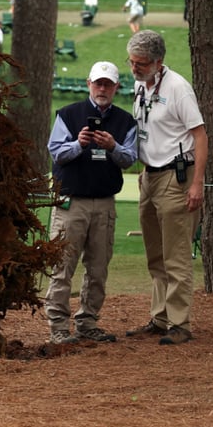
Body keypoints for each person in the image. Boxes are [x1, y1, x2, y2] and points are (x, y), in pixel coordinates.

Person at [44, 61, 138, 344]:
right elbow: (56, 152)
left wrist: (113, 147)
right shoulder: (69, 115)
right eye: (98, 83)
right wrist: (79, 144)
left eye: (108, 84)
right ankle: (58, 327)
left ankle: (87, 322)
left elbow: (130, 159)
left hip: (105, 203)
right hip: (71, 203)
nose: (102, 89)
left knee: (98, 269)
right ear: (88, 84)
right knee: (62, 268)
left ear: (116, 88)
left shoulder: (125, 122)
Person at [124, 30, 207, 346]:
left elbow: (200, 136)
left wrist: (196, 183)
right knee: (155, 254)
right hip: (150, 176)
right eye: (132, 62)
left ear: (159, 62)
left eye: (141, 63)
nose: (135, 68)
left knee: (176, 256)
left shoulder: (178, 89)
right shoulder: (140, 85)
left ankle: (179, 323)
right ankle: (159, 318)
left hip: (177, 176)